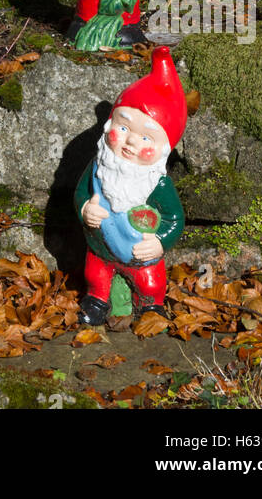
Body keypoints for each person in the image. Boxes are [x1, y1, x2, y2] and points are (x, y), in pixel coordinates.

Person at [74, 45, 186, 325]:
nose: (131, 142)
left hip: (141, 254)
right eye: (123, 128)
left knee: (150, 283)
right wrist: (86, 208)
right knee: (95, 275)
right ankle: (97, 301)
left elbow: (174, 218)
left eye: (147, 138)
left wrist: (160, 243)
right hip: (100, 248)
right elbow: (80, 193)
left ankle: (149, 306)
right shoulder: (100, 165)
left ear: (163, 149)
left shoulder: (156, 183)